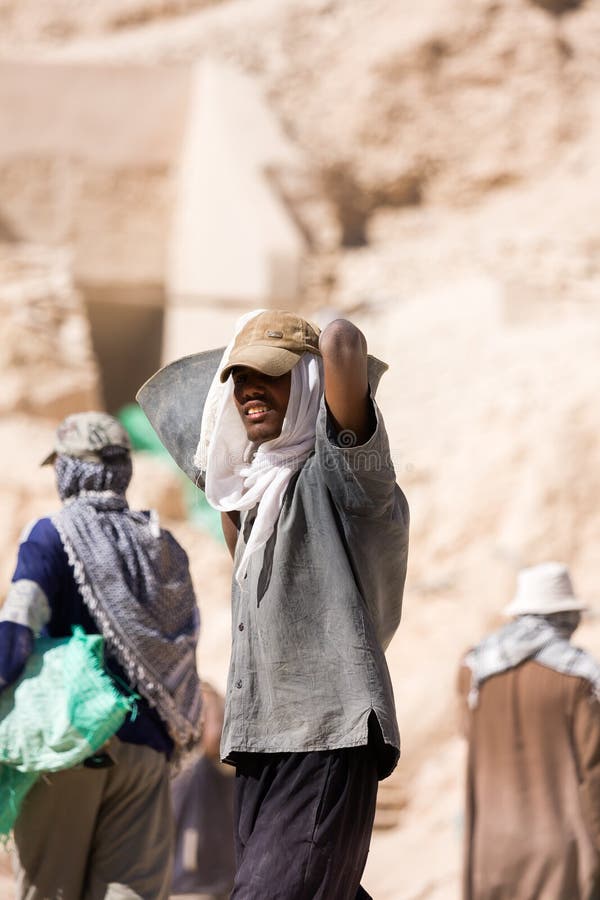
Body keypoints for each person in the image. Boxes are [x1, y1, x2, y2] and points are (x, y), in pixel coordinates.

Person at [142, 309, 409, 899]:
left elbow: (343, 341)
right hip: (263, 740)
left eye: (270, 375)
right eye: (238, 381)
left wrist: (303, 346)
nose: (249, 390)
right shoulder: (255, 502)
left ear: (312, 382)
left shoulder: (346, 478)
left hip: (326, 732)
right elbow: (218, 476)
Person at [0, 411, 202, 900]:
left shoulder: (52, 535)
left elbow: (17, 629)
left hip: (67, 746)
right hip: (149, 752)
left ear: (68, 471)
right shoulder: (165, 545)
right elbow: (185, 643)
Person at [458, 561, 600, 900]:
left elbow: (468, 733)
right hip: (560, 850)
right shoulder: (578, 677)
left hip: (491, 846)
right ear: (565, 616)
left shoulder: (475, 668)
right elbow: (593, 770)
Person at [170, 683, 236, 900]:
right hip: (185, 884)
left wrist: (210, 703)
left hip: (214, 883)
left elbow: (214, 738)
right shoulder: (178, 762)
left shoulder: (219, 764)